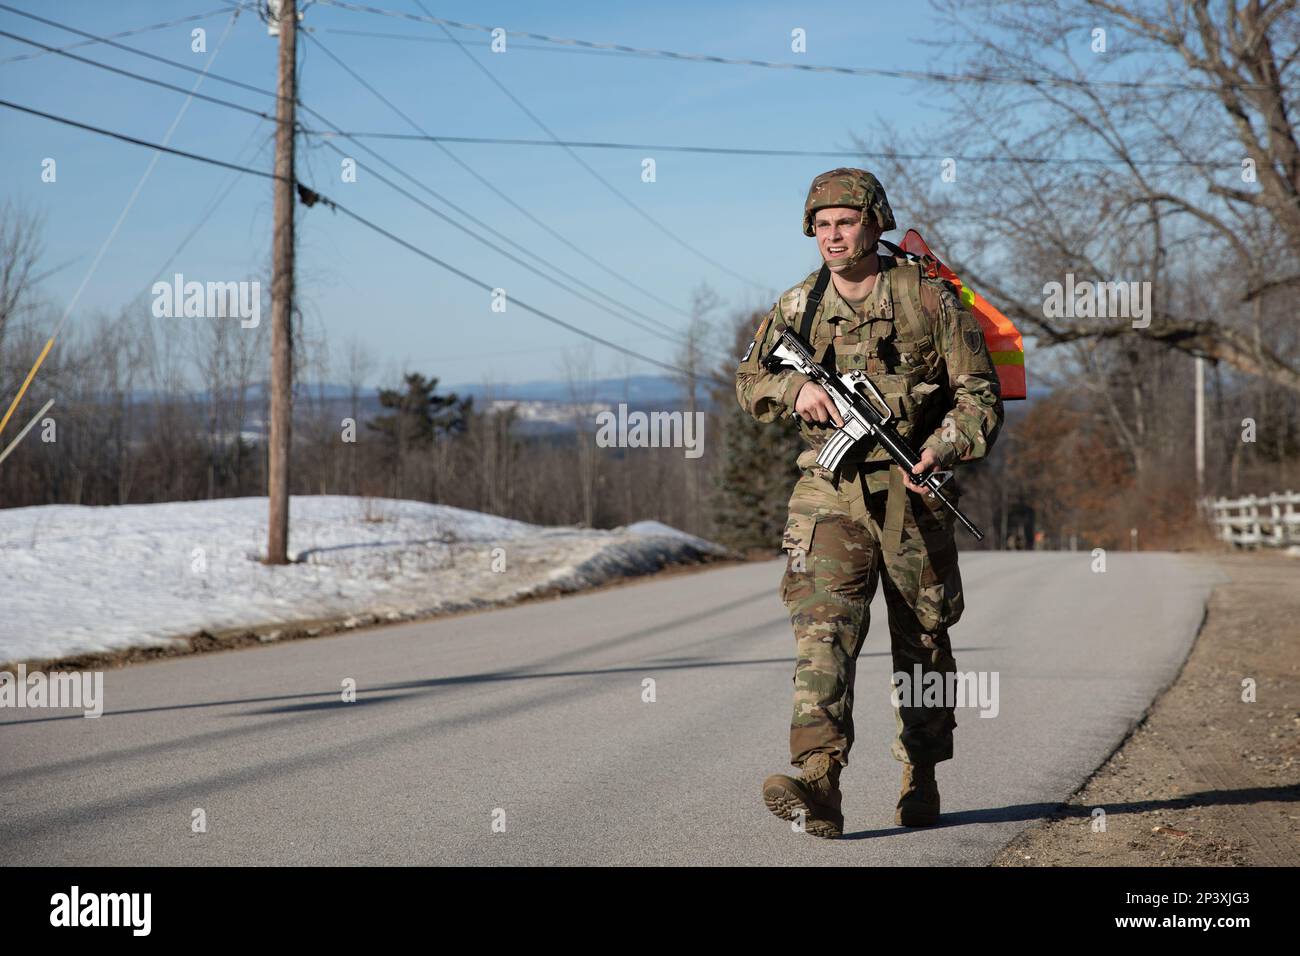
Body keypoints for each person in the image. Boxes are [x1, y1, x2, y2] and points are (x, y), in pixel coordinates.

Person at [735, 168, 1004, 838]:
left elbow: (980, 397)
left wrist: (942, 446)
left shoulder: (931, 299)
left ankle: (922, 770)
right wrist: (793, 393)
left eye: (845, 223)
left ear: (875, 223)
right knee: (823, 630)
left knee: (923, 640)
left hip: (913, 490)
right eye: (822, 226)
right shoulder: (798, 305)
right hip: (830, 495)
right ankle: (818, 779)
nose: (833, 236)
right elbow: (750, 379)